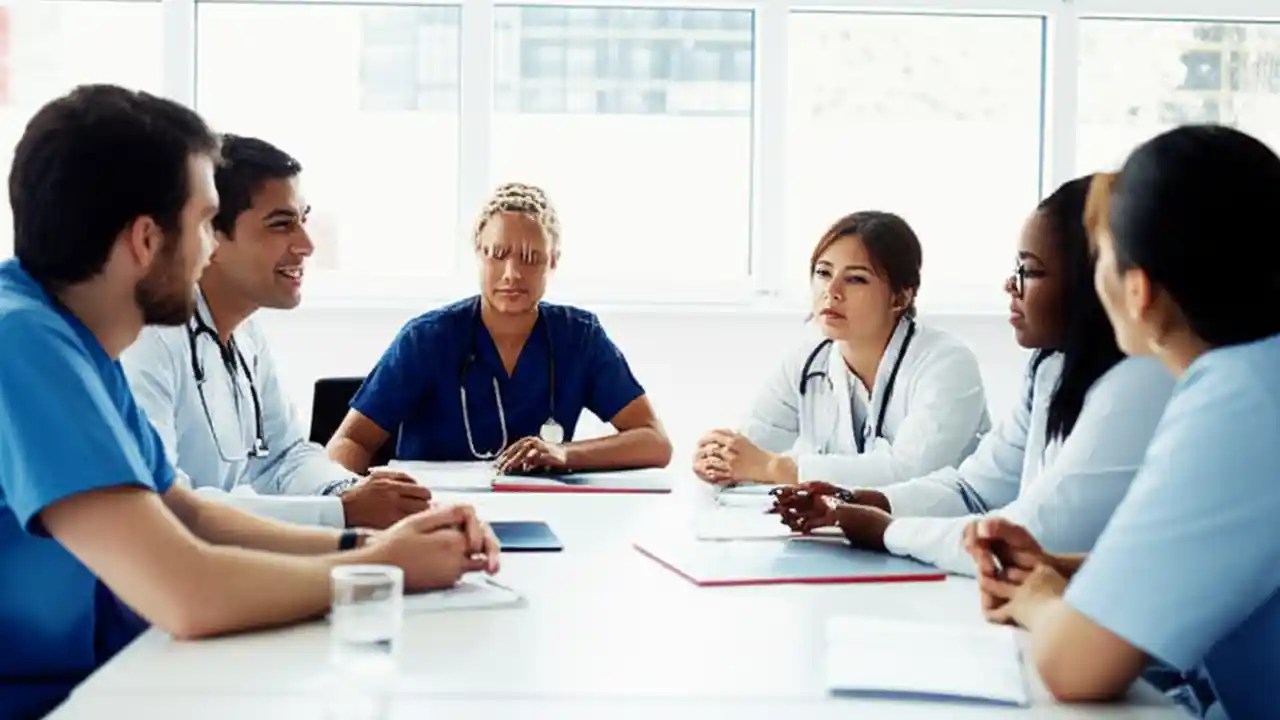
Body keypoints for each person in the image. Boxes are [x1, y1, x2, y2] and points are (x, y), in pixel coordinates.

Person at [0, 85, 499, 720]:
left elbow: (187, 516)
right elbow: (186, 592)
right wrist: (378, 569)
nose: (209, 249)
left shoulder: (74, 344)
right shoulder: (22, 343)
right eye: (204, 223)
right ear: (146, 240)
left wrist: (366, 546)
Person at [963, 126, 1280, 719]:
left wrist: (1039, 600)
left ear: (1138, 290)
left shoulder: (1239, 399)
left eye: (1099, 255)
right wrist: (1067, 569)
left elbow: (1074, 666)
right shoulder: (1263, 376)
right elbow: (1227, 565)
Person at [770, 177, 1174, 574]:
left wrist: (888, 531)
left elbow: (1038, 535)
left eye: (1029, 271)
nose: (1009, 285)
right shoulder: (1051, 367)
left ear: (1095, 278)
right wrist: (855, 501)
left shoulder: (1139, 380)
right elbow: (975, 490)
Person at [121, 135, 426, 529]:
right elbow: (166, 506)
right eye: (282, 224)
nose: (307, 245)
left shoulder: (246, 334)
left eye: (303, 219)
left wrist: (348, 491)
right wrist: (342, 512)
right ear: (209, 233)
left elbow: (284, 457)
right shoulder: (146, 339)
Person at [327, 182, 672, 475]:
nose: (511, 273)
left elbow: (655, 441)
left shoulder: (578, 337)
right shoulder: (427, 339)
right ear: (478, 254)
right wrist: (354, 503)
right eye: (497, 254)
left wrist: (567, 454)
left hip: (544, 516)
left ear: (553, 261)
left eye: (530, 258)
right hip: (434, 518)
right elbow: (350, 441)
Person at [692, 211, 990, 488]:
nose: (831, 291)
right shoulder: (806, 363)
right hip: (843, 534)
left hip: (941, 534)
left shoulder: (947, 362)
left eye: (856, 279)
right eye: (823, 273)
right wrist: (720, 459)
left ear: (900, 297)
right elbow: (752, 449)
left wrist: (777, 469)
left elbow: (910, 471)